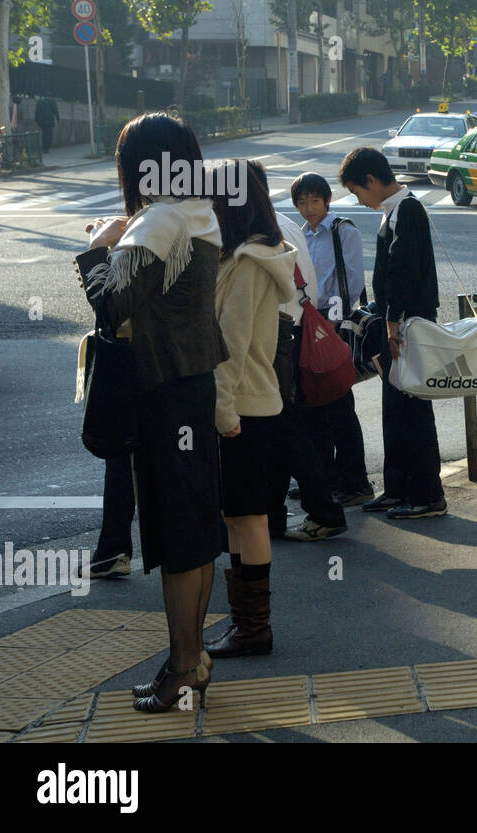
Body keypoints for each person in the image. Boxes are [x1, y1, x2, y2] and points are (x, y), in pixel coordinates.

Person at [75, 112, 227, 712]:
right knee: (193, 530)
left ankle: (185, 669)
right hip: (193, 386)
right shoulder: (197, 212)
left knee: (176, 536)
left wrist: (96, 250)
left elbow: (112, 307)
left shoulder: (162, 219)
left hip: (167, 393)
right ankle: (190, 660)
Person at [205, 159, 297, 658]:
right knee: (240, 516)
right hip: (249, 406)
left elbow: (231, 345)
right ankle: (246, 624)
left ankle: (253, 628)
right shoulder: (246, 257)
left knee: (249, 517)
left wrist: (222, 415)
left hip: (244, 409)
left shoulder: (248, 264)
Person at [338, 147, 448, 519]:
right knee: (395, 410)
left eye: (358, 191)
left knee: (413, 410)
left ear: (372, 180)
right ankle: (398, 488)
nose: (360, 200)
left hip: (405, 324)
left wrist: (393, 318)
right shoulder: (396, 210)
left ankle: (427, 495)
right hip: (396, 323)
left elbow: (405, 268)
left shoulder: (409, 209)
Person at [266, 173, 350, 543]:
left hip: (275, 339)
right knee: (281, 428)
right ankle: (273, 517)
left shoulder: (259, 233)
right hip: (294, 334)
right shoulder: (285, 225)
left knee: (286, 428)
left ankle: (325, 510)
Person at [292, 172, 374, 509]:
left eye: (314, 200)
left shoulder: (343, 230)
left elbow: (352, 283)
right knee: (311, 405)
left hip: (332, 322)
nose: (308, 208)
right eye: (302, 202)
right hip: (306, 321)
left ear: (327, 200)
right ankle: (323, 477)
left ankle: (355, 483)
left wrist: (331, 321)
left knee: (339, 406)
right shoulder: (300, 235)